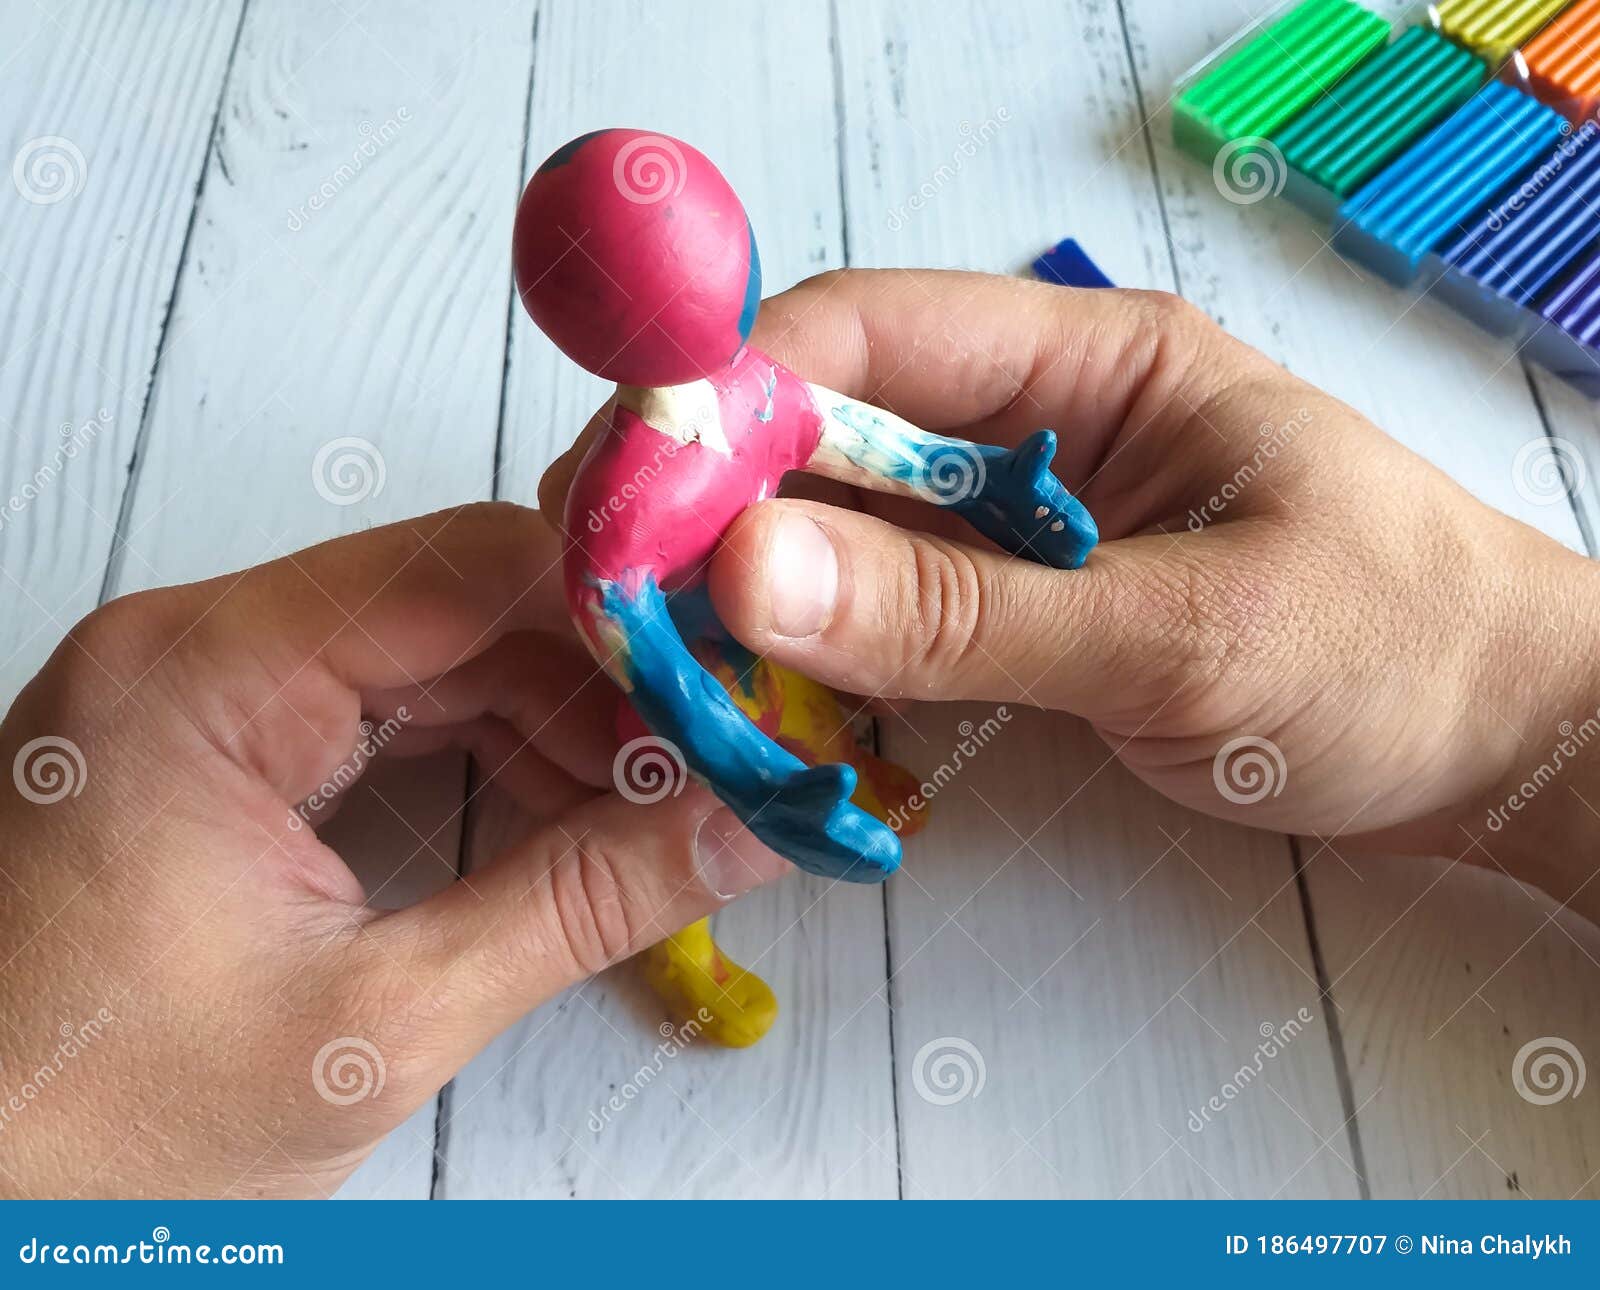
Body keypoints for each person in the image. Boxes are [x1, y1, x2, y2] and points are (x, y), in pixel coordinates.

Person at [1, 271, 1594, 1198]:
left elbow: (874, 437)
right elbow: (645, 654)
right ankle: (684, 955)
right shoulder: (621, 502)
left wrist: (987, 486)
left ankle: (822, 766)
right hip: (709, 692)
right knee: (672, 802)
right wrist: (750, 773)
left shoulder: (759, 389)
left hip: (787, 665)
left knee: (832, 700)